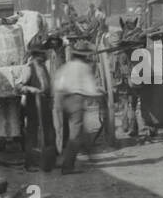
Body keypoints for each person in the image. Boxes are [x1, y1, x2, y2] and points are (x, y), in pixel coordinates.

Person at [53, 40, 102, 174]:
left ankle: (91, 156)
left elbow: (58, 82)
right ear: (84, 56)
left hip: (62, 98)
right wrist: (98, 94)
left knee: (80, 129)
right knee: (75, 134)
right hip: (75, 100)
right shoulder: (84, 68)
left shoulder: (67, 66)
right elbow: (89, 87)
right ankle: (67, 167)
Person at [18, 34, 57, 172]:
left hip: (44, 102)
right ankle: (30, 163)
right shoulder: (29, 68)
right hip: (33, 103)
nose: (46, 55)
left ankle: (49, 161)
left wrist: (51, 97)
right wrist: (32, 89)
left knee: (49, 132)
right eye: (44, 53)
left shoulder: (43, 66)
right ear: (38, 54)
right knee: (33, 133)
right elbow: (19, 87)